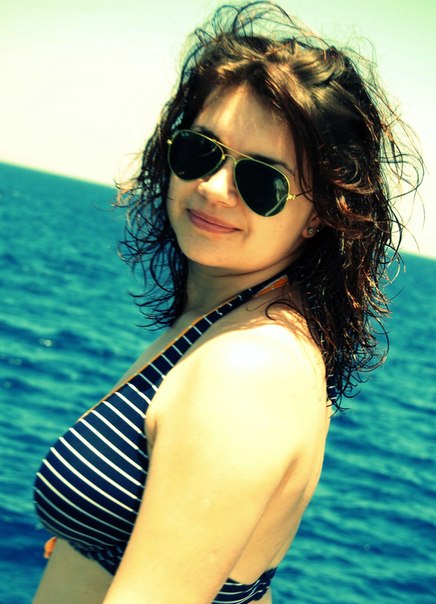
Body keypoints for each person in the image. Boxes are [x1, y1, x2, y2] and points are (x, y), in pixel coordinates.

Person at [32, 2, 422, 602]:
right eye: (200, 151)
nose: (213, 188)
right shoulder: (227, 324)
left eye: (261, 180)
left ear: (323, 212)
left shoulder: (245, 368)